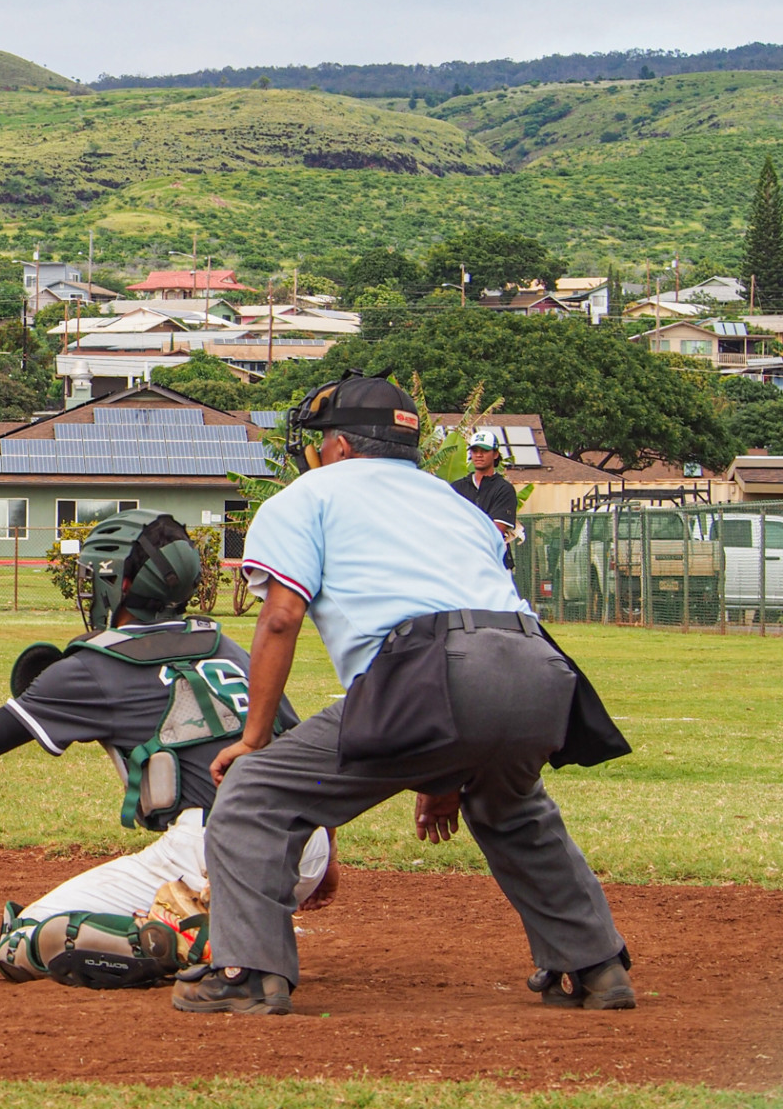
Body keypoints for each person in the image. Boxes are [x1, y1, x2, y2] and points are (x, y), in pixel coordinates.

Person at [175, 371, 633, 1016]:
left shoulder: (309, 495)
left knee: (254, 792)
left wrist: (253, 740)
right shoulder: (457, 503)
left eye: (321, 441)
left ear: (339, 446)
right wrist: (443, 768)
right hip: (540, 666)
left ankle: (246, 972)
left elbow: (280, 618)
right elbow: (477, 620)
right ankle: (594, 967)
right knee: (512, 807)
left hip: (433, 673)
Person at [0, 511, 335, 990]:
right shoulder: (225, 645)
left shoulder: (95, 666)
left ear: (120, 583)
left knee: (25, 939)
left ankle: (202, 941)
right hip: (302, 843)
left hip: (216, 851)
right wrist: (324, 858)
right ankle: (222, 921)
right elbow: (300, 752)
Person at [453, 426, 519, 568]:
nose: (479, 455)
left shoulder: (504, 489)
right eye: (475, 451)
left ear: (495, 454)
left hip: (495, 564)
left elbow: (495, 531)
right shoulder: (457, 488)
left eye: (484, 451)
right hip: (461, 564)